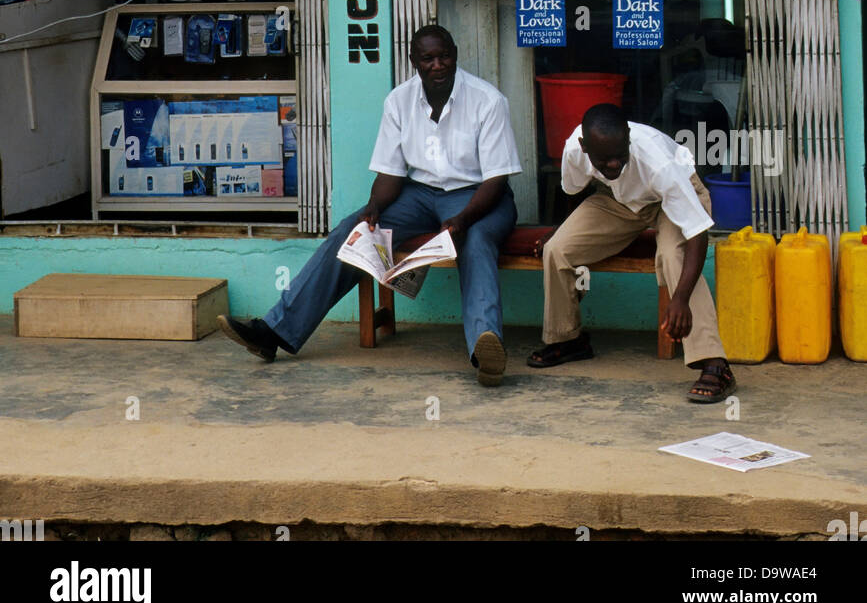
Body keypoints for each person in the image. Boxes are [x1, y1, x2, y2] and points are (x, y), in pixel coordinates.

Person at [218, 24, 522, 386]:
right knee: (354, 230)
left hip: (481, 196)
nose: (438, 65)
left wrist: (462, 219)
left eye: (445, 56)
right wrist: (374, 206)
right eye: (428, 59)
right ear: (414, 62)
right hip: (421, 194)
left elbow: (497, 178)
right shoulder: (398, 101)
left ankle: (485, 352)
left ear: (455, 54)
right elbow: (392, 174)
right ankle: (275, 332)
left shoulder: (487, 100)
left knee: (475, 241)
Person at [526, 102, 735, 403]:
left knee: (672, 255)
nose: (613, 165)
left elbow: (697, 233)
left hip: (671, 200)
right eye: (604, 160)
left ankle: (715, 364)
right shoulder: (574, 150)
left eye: (619, 156)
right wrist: (562, 229)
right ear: (585, 147)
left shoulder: (657, 162)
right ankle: (568, 340)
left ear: (628, 136)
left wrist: (680, 299)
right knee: (558, 249)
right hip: (618, 201)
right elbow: (575, 191)